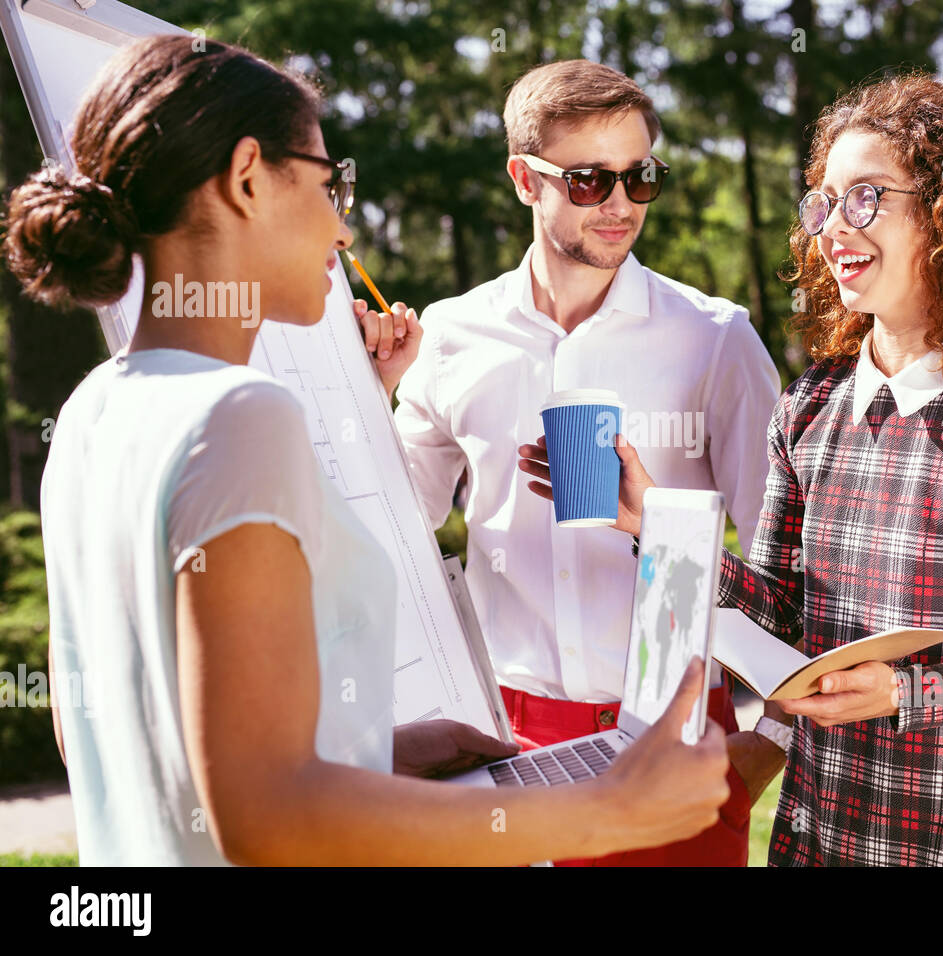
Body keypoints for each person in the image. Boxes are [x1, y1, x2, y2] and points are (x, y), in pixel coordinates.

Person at [10, 34, 730, 867]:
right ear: (249, 178)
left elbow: (107, 737)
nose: (343, 225)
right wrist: (606, 812)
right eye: (329, 182)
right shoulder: (241, 417)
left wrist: (373, 753)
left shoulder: (95, 410)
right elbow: (265, 820)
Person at [520, 73, 943, 866]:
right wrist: (652, 524)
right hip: (828, 831)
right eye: (825, 201)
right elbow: (780, 614)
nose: (833, 228)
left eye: (867, 197)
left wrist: (908, 693)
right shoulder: (808, 406)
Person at [358, 59, 788, 866]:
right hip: (503, 740)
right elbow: (391, 530)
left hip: (676, 736)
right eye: (589, 181)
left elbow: (784, 559)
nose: (621, 205)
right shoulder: (451, 336)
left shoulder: (716, 337)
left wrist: (761, 749)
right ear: (526, 179)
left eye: (639, 178)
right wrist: (369, 393)